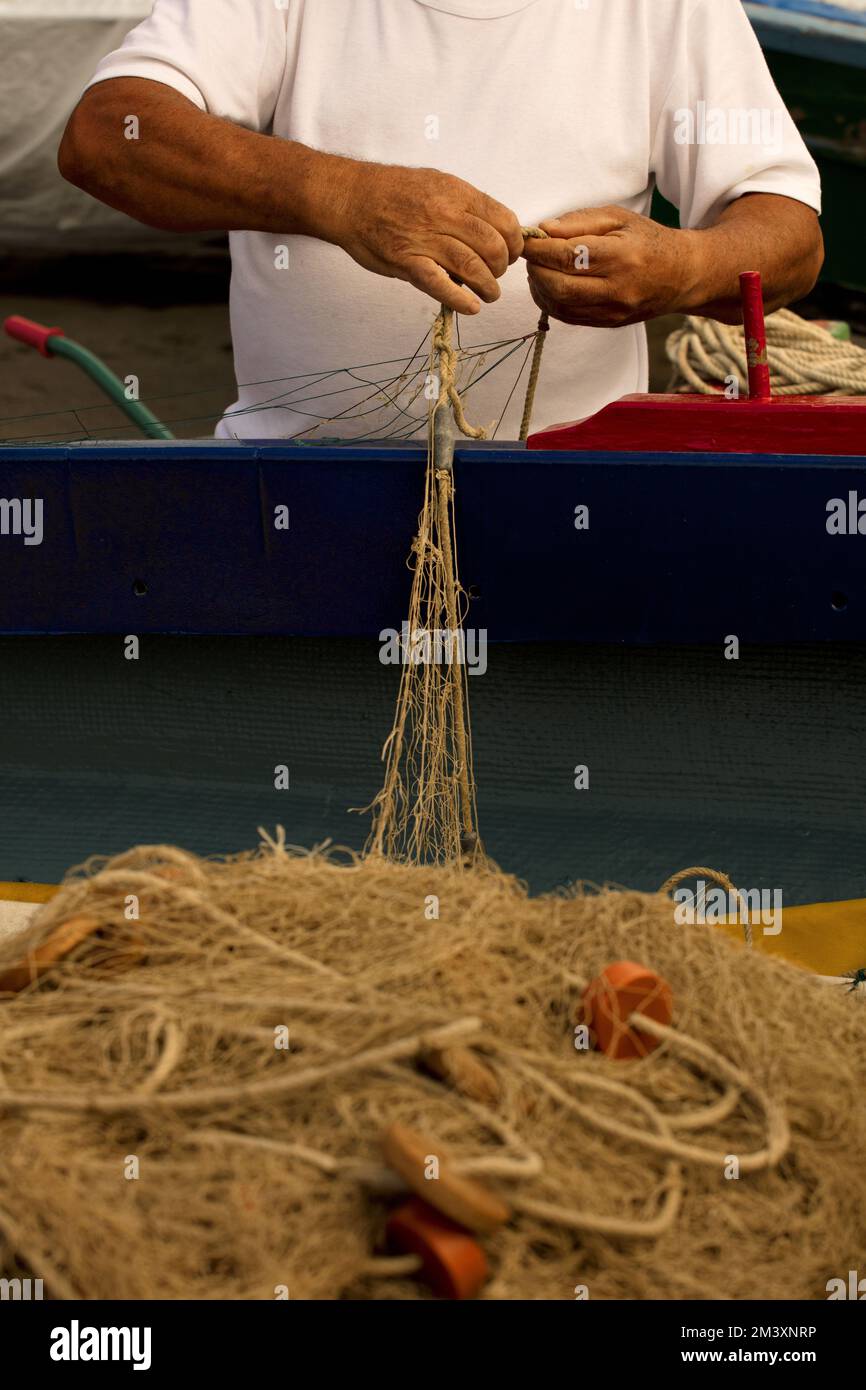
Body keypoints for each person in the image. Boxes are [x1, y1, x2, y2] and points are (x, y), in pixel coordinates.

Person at [58, 0, 823, 441]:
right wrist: (343, 197)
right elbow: (109, 135)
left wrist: (682, 269)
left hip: (566, 503)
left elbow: (789, 233)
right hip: (292, 494)